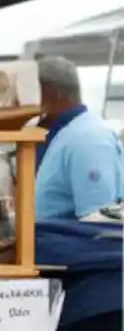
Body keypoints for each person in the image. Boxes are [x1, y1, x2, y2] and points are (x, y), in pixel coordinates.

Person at [33, 56, 124, 220]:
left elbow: (100, 221)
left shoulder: (88, 139)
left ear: (50, 92)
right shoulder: (62, 135)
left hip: (72, 244)